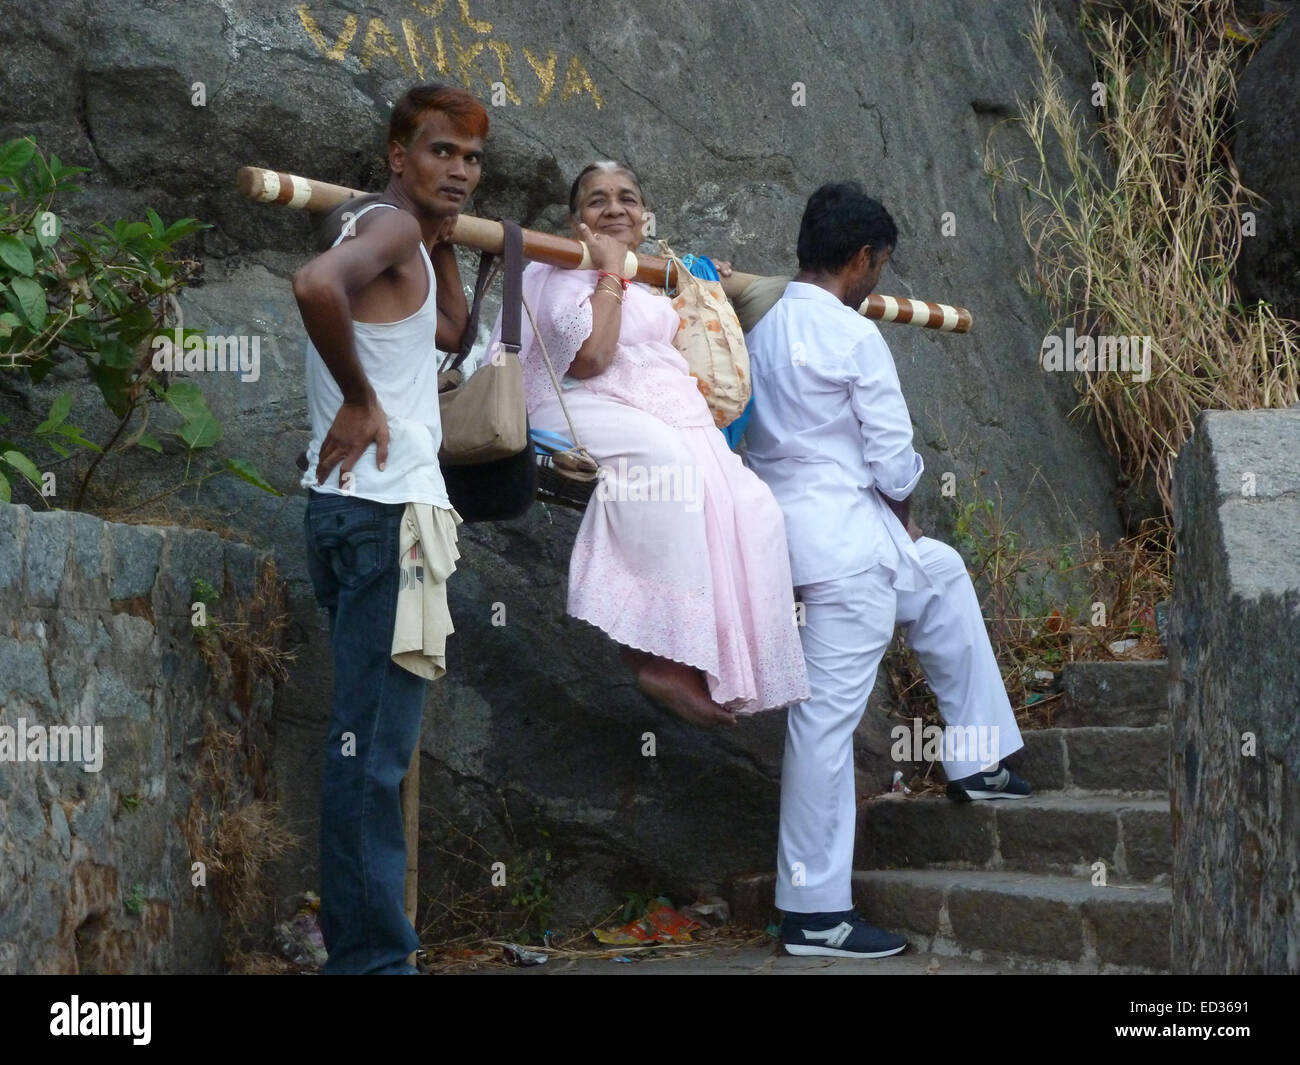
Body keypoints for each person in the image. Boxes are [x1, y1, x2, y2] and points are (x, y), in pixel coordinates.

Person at [743, 182, 1031, 959]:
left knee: (939, 572)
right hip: (847, 551)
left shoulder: (759, 325)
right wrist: (904, 494)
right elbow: (893, 458)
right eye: (882, 265)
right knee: (824, 727)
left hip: (789, 540)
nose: (880, 280)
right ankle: (813, 913)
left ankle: (979, 759)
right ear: (865, 259)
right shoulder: (853, 333)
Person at [487, 161, 810, 727]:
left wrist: (697, 274)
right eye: (597, 200)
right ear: (574, 220)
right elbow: (589, 359)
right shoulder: (559, 268)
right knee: (666, 468)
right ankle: (654, 659)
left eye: (627, 198)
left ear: (644, 219)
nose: (614, 209)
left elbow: (688, 306)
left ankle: (718, 664)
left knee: (755, 504)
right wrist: (607, 275)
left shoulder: (651, 276)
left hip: (667, 411)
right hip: (578, 401)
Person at [292, 83, 486, 974]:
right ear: (396, 156)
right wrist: (363, 401)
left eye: (472, 159)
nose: (460, 169)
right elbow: (315, 287)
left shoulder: (397, 233)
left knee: (362, 745)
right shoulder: (389, 228)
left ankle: (365, 950)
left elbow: (445, 328)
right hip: (386, 517)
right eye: (441, 151)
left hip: (349, 512)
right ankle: (370, 961)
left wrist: (442, 241)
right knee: (372, 756)